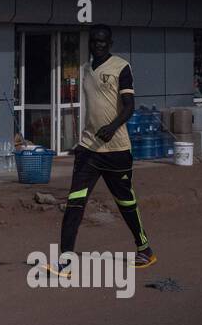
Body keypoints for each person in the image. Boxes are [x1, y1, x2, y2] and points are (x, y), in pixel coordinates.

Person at [52, 25, 156, 277]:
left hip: (117, 149)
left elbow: (129, 106)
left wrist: (112, 127)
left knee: (125, 201)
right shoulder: (86, 70)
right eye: (94, 41)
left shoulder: (121, 66)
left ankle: (145, 249)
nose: (98, 45)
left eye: (102, 41)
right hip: (89, 149)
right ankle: (65, 261)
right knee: (74, 202)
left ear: (110, 43)